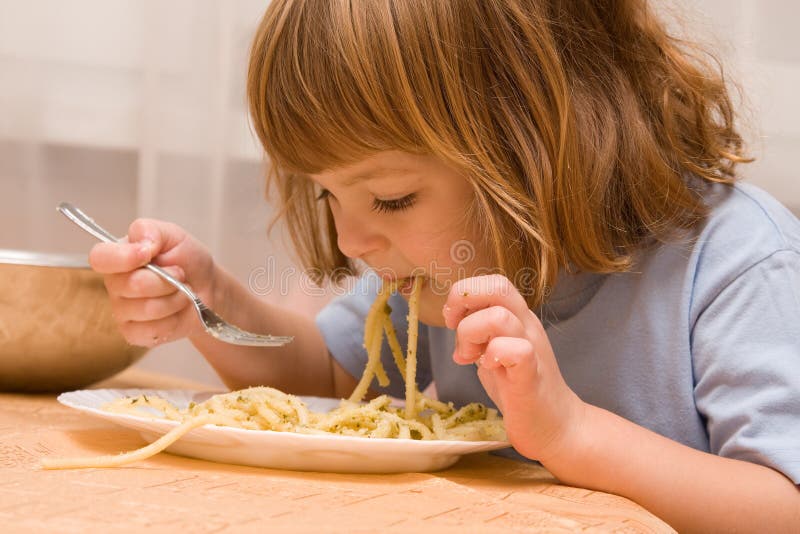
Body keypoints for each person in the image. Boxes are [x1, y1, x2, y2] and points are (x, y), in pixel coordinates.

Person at [90, 1, 799, 530]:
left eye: (391, 198)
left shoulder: (734, 265)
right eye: (327, 195)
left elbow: (783, 505)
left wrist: (571, 435)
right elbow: (334, 381)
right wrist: (210, 303)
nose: (350, 240)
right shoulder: (444, 275)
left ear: (541, 140)